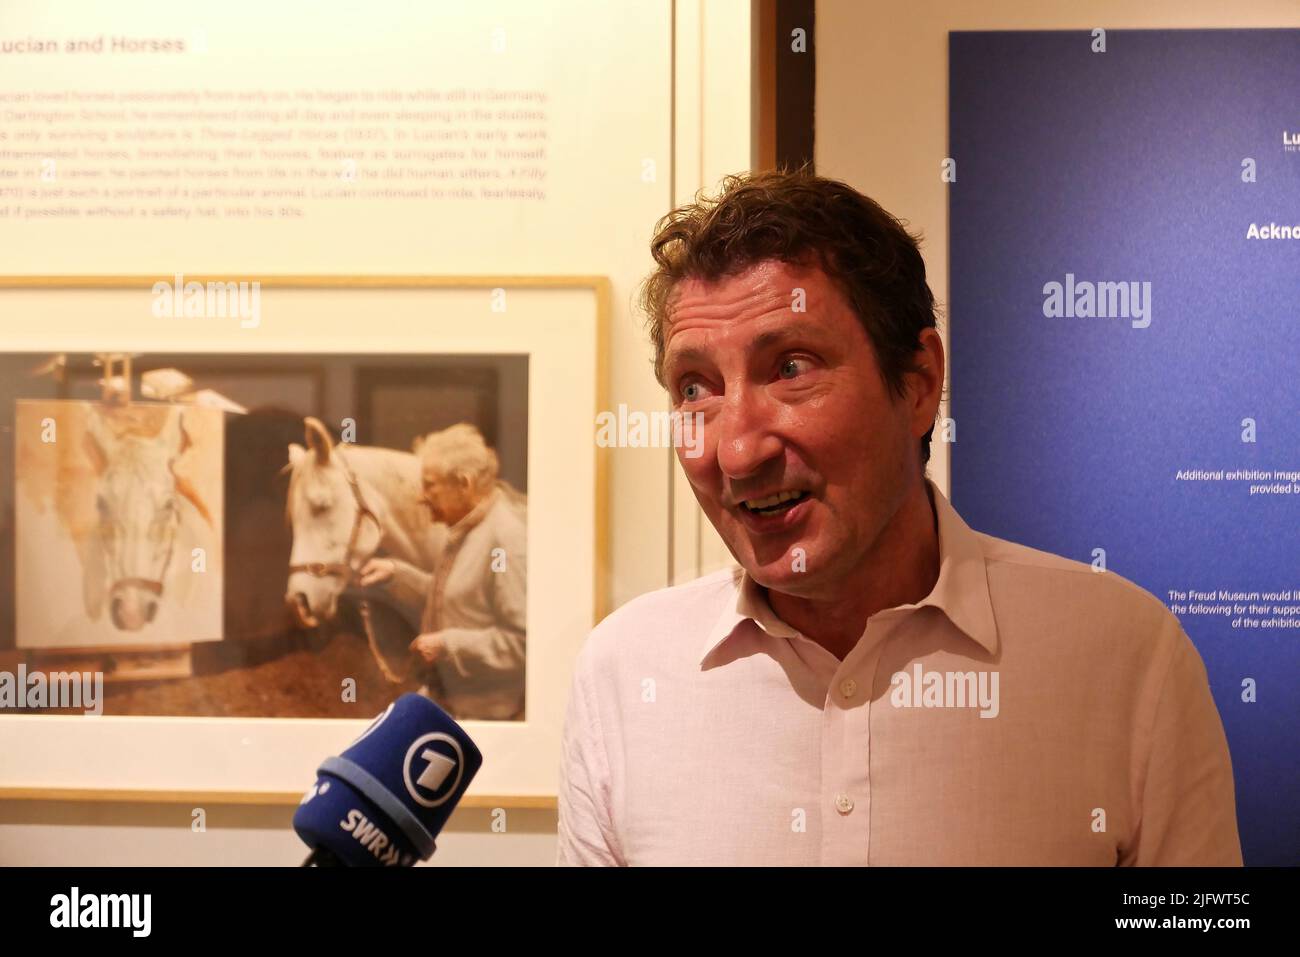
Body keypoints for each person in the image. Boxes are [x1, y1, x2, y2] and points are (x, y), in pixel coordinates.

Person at [556, 166, 1242, 865]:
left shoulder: (1126, 660)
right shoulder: (622, 676)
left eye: (792, 367)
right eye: (695, 387)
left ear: (918, 385)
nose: (735, 451)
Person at [360, 424, 526, 720]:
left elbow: (523, 643)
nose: (421, 497)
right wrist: (398, 575)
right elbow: (459, 599)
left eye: (430, 485)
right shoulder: (467, 529)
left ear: (464, 483)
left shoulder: (506, 541)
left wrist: (448, 644)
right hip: (448, 706)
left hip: (487, 722)